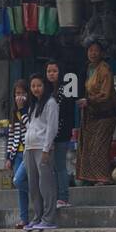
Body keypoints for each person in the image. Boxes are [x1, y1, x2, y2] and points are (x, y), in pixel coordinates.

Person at [76, 40, 116, 184]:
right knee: (88, 145)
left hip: (106, 113)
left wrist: (90, 101)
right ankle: (91, 178)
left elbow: (105, 94)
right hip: (92, 113)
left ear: (102, 53)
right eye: (90, 50)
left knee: (99, 147)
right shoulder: (88, 68)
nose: (93, 53)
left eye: (96, 50)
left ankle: (104, 178)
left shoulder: (104, 69)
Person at [23, 73, 59, 231]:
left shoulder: (51, 103)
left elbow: (52, 127)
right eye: (33, 86)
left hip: (43, 148)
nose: (36, 89)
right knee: (33, 186)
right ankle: (37, 217)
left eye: (38, 85)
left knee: (46, 184)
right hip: (29, 148)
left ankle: (49, 218)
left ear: (44, 87)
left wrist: (46, 148)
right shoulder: (33, 105)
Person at [46, 59, 75, 208]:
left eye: (54, 71)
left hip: (61, 133)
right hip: (48, 136)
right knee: (52, 167)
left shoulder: (65, 90)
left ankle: (63, 196)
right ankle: (56, 196)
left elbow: (67, 112)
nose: (51, 74)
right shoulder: (47, 91)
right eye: (49, 71)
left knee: (60, 165)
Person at [5, 79, 32, 229]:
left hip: (29, 152)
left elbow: (29, 128)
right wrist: (9, 157)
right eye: (17, 94)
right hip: (17, 155)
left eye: (22, 93)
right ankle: (24, 219)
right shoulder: (13, 112)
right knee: (20, 189)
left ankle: (38, 195)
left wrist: (22, 110)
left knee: (18, 180)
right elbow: (12, 135)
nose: (19, 97)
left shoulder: (28, 110)